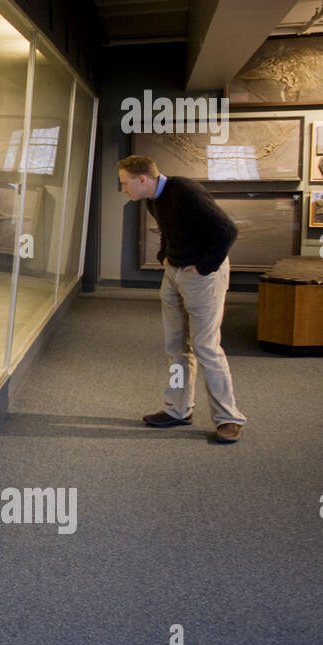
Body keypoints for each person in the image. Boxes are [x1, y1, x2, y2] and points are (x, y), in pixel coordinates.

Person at [117, 154, 248, 443]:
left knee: (205, 347)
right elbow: (168, 229)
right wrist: (164, 255)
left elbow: (227, 230)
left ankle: (229, 418)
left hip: (202, 276)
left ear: (143, 179)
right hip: (174, 273)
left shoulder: (185, 191)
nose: (124, 189)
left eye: (126, 183)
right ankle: (178, 410)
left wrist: (204, 266)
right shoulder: (152, 199)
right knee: (176, 346)